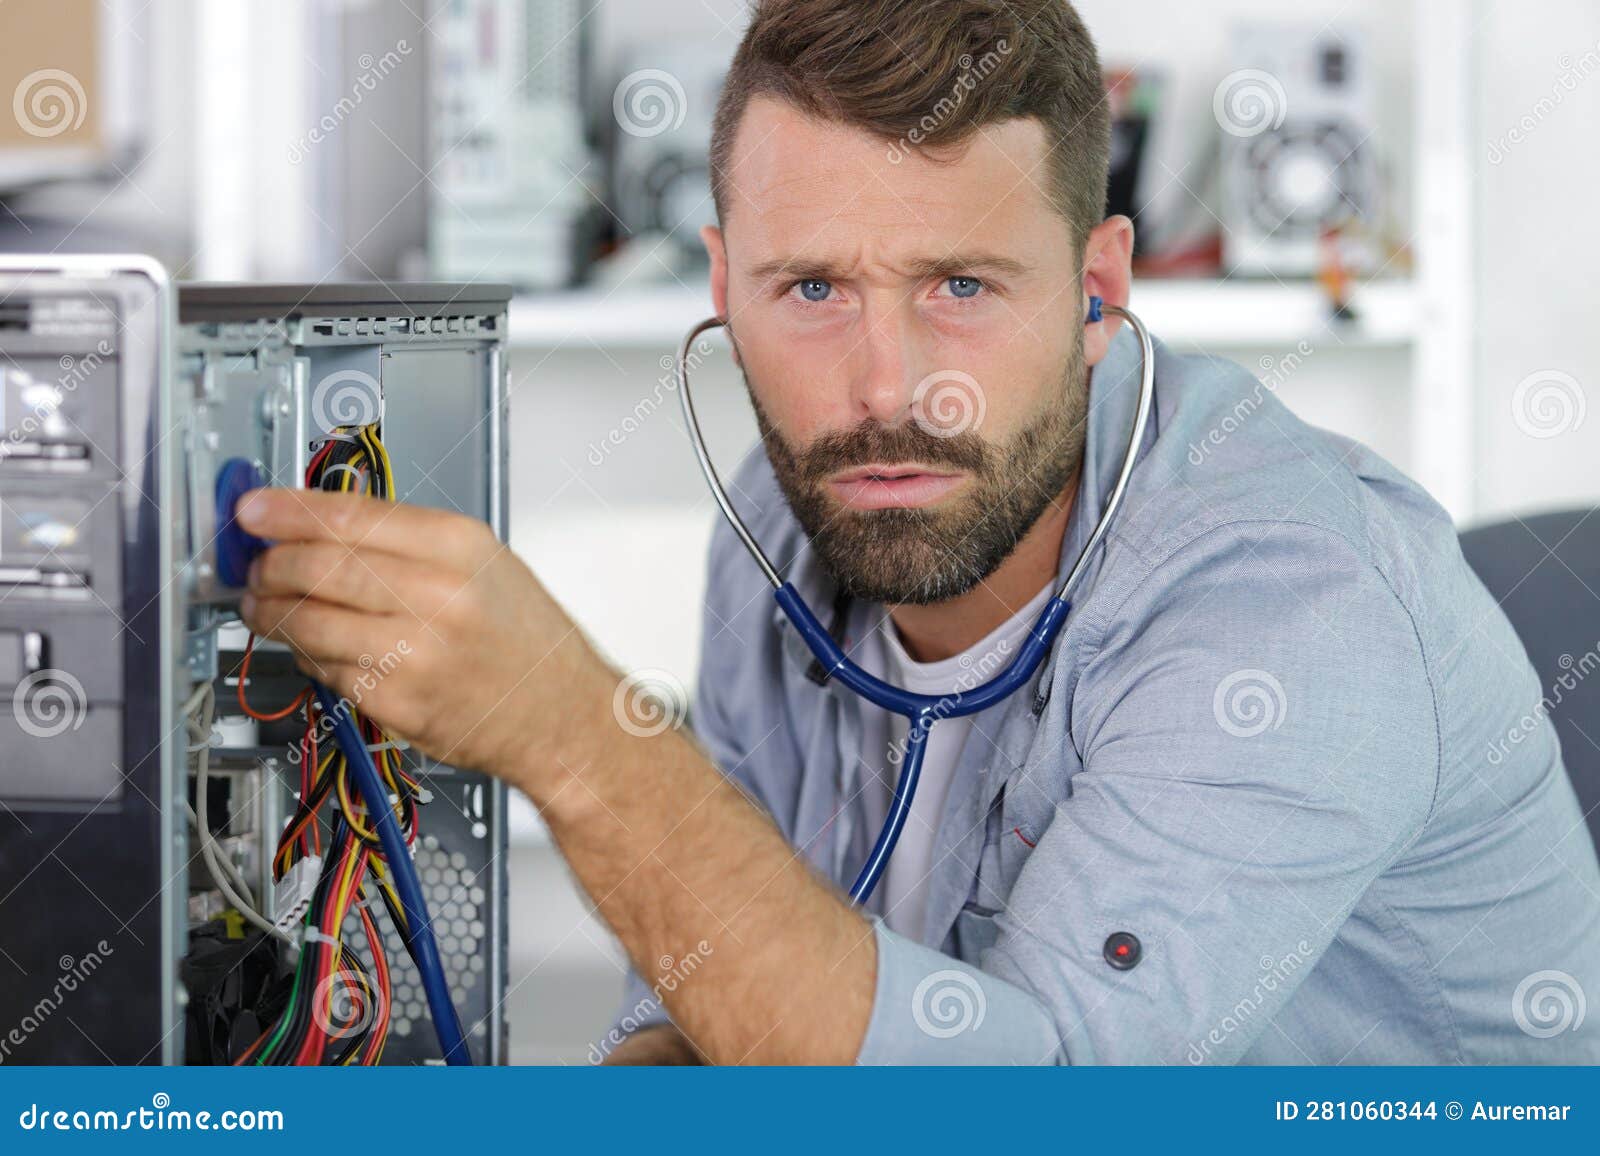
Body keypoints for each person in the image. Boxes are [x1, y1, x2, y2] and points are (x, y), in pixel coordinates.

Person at [236, 0, 1600, 1063]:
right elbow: (725, 982)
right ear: (722, 285)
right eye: (813, 285)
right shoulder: (788, 519)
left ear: (1097, 287)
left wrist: (576, 741)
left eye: (960, 282)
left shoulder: (1300, 607)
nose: (885, 390)